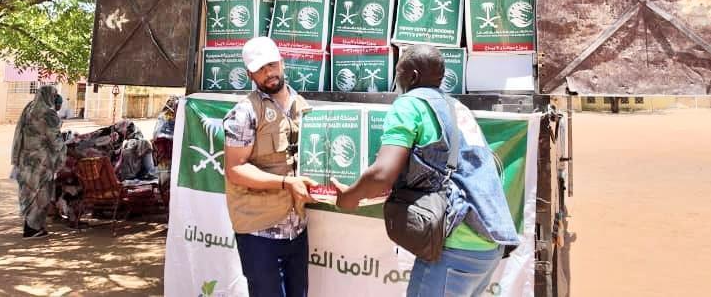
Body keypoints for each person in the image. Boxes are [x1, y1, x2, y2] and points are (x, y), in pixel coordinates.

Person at [332, 44, 520, 297]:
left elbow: (381, 175)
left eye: (399, 73)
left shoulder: (410, 104)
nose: (396, 80)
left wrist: (349, 197)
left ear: (412, 76)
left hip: (456, 244)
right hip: (488, 241)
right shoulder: (455, 107)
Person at [223, 36, 317, 297]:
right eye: (260, 69)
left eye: (271, 64)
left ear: (282, 62)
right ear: (249, 74)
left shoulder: (303, 107)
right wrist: (287, 183)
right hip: (259, 232)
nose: (269, 73)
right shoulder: (245, 113)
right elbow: (235, 169)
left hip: (296, 228)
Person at [10, 85, 67, 239]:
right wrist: (63, 158)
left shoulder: (29, 108)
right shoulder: (48, 113)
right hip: (41, 161)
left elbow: (19, 132)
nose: (56, 99)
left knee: (28, 192)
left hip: (25, 159)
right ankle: (33, 229)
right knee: (41, 194)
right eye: (55, 95)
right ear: (49, 96)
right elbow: (56, 140)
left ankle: (30, 226)